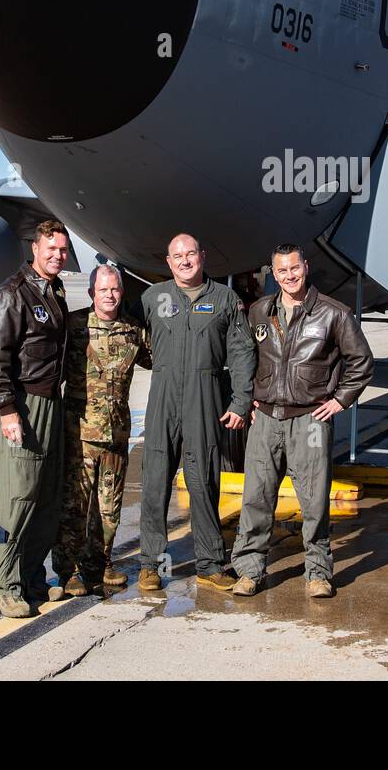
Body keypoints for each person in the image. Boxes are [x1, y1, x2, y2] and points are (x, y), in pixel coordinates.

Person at [231, 243, 374, 598]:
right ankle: (250, 571)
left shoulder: (333, 314)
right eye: (281, 271)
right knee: (256, 499)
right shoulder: (260, 312)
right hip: (264, 419)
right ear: (273, 273)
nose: (289, 276)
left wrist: (340, 400)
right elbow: (245, 359)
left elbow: (362, 362)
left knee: (313, 502)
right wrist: (247, 399)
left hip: (309, 420)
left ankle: (318, 574)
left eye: (294, 269)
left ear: (305, 267)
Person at [138, 234, 255, 593]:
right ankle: (151, 565)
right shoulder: (152, 298)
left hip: (205, 398)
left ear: (202, 257)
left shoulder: (224, 299)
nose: (185, 260)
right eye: (178, 255)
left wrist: (240, 402)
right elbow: (135, 340)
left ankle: (210, 563)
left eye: (191, 254)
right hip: (163, 399)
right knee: (155, 482)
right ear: (168, 262)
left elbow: (242, 353)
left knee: (204, 480)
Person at [0, 220, 71, 618]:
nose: (57, 255)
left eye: (63, 250)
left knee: (45, 497)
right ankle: (6, 584)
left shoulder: (53, 291)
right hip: (23, 404)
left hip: (51, 403)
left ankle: (33, 578)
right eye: (51, 248)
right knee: (15, 498)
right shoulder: (10, 293)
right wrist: (7, 410)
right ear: (35, 248)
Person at [55, 263, 150, 596]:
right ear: (92, 292)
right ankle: (68, 571)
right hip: (79, 434)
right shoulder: (75, 326)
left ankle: (99, 563)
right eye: (103, 289)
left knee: (109, 508)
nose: (109, 295)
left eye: (115, 289)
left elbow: (159, 358)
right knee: (75, 506)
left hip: (116, 434)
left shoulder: (132, 329)